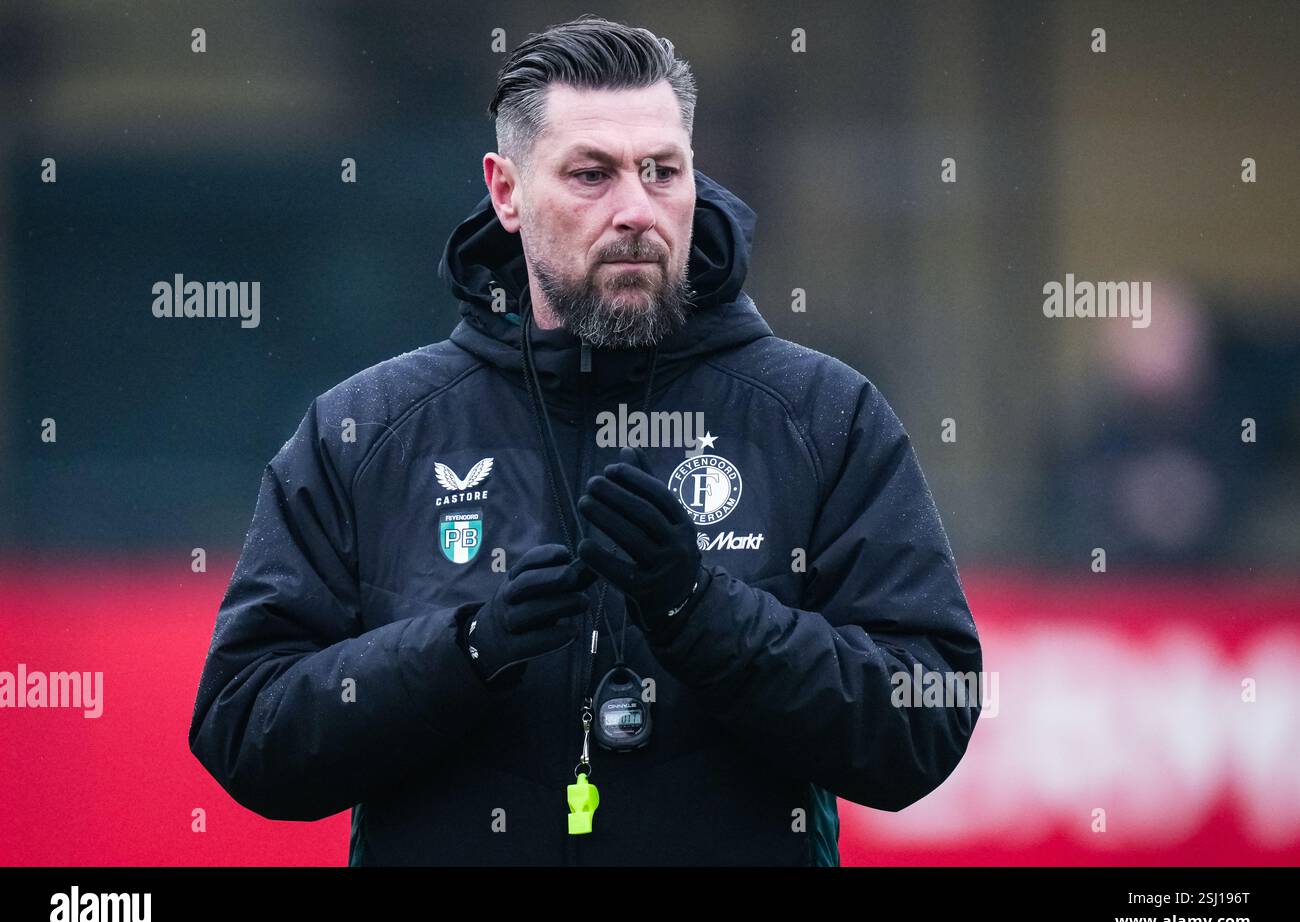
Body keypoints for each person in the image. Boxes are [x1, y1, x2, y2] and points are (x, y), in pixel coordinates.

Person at [187, 14, 983, 866]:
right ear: (506, 191)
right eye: (592, 174)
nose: (637, 210)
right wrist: (466, 651)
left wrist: (703, 613)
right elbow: (245, 728)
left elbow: (926, 719)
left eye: (662, 171)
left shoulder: (823, 412)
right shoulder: (369, 429)